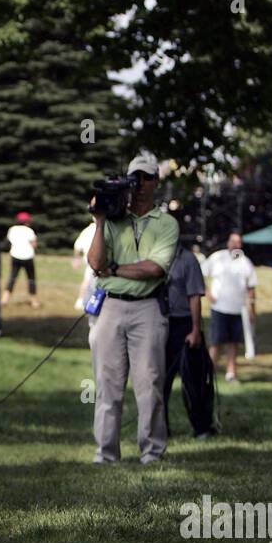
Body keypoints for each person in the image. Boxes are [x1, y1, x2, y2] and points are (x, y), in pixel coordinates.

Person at [86, 153, 179, 465]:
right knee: (107, 384)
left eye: (146, 178)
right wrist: (99, 221)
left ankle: (152, 451)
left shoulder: (166, 223)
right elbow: (96, 263)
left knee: (149, 382)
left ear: (156, 182)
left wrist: (113, 270)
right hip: (110, 307)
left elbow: (154, 268)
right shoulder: (112, 220)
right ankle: (105, 453)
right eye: (134, 178)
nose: (139, 185)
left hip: (147, 308)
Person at [162, 240, 212, 438]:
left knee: (194, 380)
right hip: (159, 322)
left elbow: (195, 296)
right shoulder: (151, 255)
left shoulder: (187, 259)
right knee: (160, 381)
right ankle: (161, 429)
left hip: (184, 324)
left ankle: (202, 428)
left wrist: (195, 329)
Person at [203, 232, 257, 383]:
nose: (236, 245)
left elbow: (251, 286)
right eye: (233, 241)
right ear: (228, 243)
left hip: (238, 309)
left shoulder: (245, 262)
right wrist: (207, 293)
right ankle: (208, 374)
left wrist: (252, 309)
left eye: (239, 242)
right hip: (219, 308)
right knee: (215, 342)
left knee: (234, 343)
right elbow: (200, 274)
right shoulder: (217, 257)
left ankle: (231, 373)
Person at [3, 212, 41, 308]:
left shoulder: (12, 229)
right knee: (31, 278)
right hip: (28, 257)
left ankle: (5, 299)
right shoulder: (29, 231)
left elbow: (7, 242)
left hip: (15, 256)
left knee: (12, 277)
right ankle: (34, 302)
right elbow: (34, 245)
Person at [72, 220, 98, 312]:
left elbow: (77, 246)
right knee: (88, 281)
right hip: (93, 260)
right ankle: (81, 301)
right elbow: (78, 246)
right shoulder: (93, 229)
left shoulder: (87, 230)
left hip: (91, 260)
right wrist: (76, 259)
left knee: (88, 281)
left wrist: (77, 259)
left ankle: (83, 301)